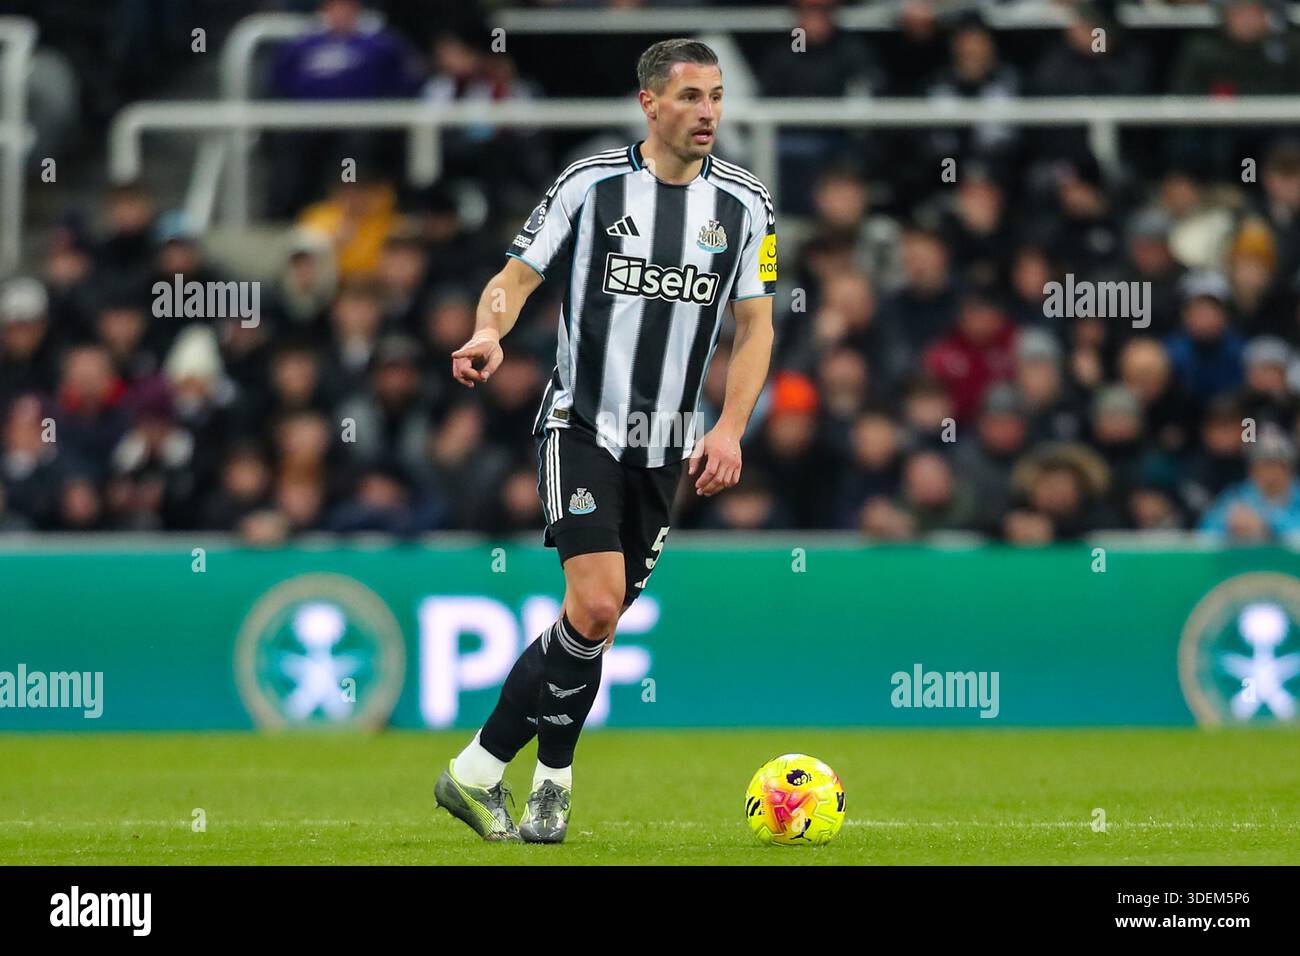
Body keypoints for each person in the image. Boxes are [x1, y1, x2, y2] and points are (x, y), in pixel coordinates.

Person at [434, 39, 777, 844]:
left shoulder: (746, 204)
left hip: (668, 447)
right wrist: (489, 331)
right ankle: (528, 778)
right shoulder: (590, 186)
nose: (708, 113)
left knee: (596, 623)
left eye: (717, 96)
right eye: (691, 97)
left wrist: (729, 426)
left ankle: (495, 774)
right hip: (582, 425)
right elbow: (515, 276)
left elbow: (755, 325)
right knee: (593, 601)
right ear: (650, 104)